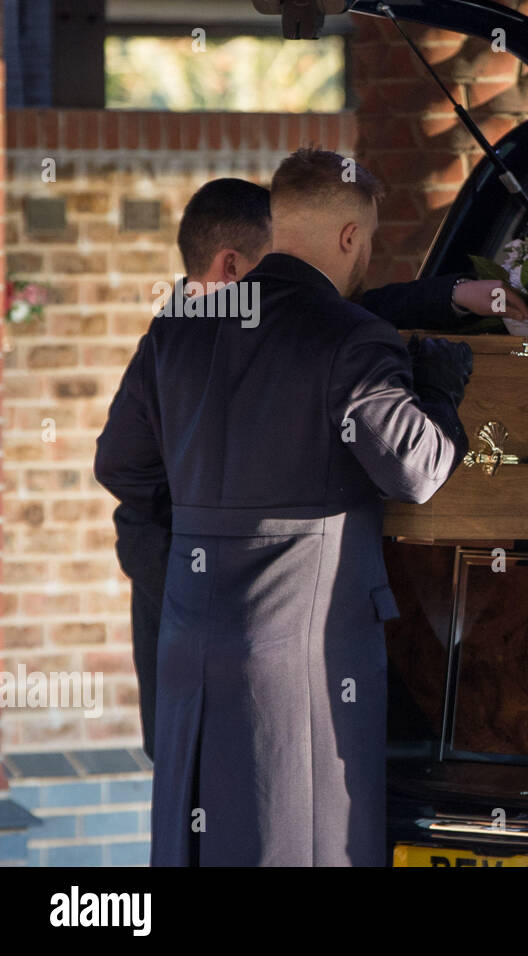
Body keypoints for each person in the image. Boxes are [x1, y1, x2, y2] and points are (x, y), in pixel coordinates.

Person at [94, 148, 472, 865]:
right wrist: (444, 402)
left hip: (188, 640)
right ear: (350, 236)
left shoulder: (179, 326)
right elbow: (415, 472)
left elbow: (119, 464)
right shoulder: (350, 336)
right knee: (298, 841)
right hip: (298, 655)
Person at [111, 176, 528, 762]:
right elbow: (127, 473)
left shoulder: (191, 328)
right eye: (273, 263)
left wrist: (455, 295)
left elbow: (343, 312)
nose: (288, 281)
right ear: (233, 267)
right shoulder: (189, 333)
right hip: (217, 622)